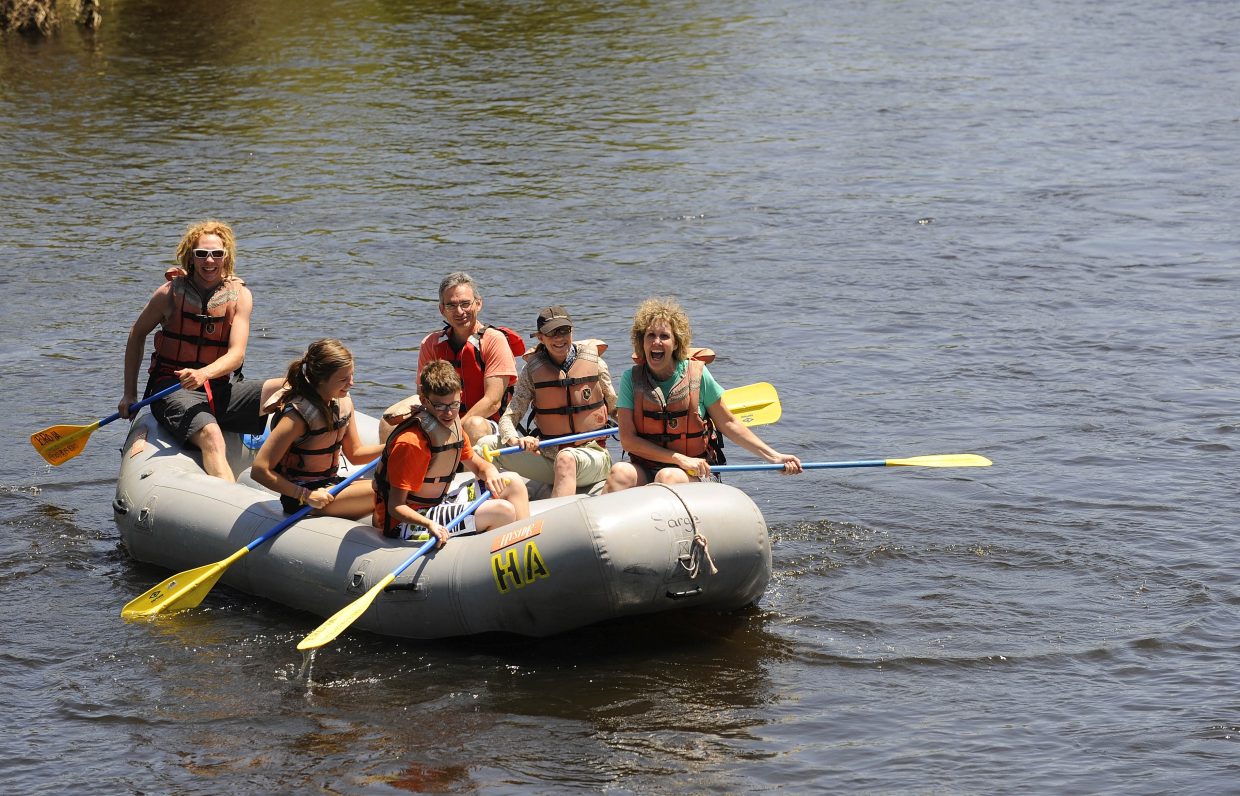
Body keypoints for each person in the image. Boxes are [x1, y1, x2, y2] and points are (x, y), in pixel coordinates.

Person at [118, 220, 282, 482]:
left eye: (217, 254)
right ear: (190, 258)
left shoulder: (240, 295)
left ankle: (294, 474)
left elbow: (236, 354)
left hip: (217, 389)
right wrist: (129, 393)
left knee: (293, 385)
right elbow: (136, 335)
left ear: (226, 257)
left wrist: (204, 373)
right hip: (172, 390)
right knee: (212, 434)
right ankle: (231, 503)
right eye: (202, 254)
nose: (209, 260)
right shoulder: (169, 294)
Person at [603, 297, 803, 492]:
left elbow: (729, 423)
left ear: (676, 343)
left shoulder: (697, 375)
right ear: (641, 342)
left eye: (664, 336)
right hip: (647, 465)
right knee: (620, 471)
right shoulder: (632, 378)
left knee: (667, 476)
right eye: (650, 336)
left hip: (694, 470)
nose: (656, 341)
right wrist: (676, 457)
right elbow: (628, 440)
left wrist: (774, 457)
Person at [373, 360, 530, 545]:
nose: (448, 413)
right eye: (440, 406)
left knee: (513, 482)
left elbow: (478, 466)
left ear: (460, 396)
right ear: (424, 400)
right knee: (502, 511)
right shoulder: (411, 444)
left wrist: (491, 472)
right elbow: (395, 507)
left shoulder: (452, 428)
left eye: (454, 404)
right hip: (410, 520)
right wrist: (429, 524)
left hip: (440, 502)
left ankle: (526, 544)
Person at [378, 272, 520, 444]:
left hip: (488, 423)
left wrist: (455, 430)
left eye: (465, 304)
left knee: (473, 425)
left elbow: (493, 402)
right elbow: (423, 394)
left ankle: (475, 469)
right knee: (389, 421)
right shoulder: (431, 344)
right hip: (444, 419)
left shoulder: (494, 340)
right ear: (442, 309)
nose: (459, 311)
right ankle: (393, 468)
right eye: (451, 305)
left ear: (478, 304)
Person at [250, 339, 382, 519]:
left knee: (393, 485)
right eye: (343, 379)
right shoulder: (297, 417)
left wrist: (391, 445)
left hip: (330, 485)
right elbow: (259, 470)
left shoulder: (343, 403)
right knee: (383, 491)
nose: (351, 383)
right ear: (321, 381)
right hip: (301, 498)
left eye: (352, 375)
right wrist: (306, 496)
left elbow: (356, 454)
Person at [495, 306, 617, 497]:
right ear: (540, 338)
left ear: (572, 331)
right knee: (486, 445)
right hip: (549, 456)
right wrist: (516, 440)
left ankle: (552, 523)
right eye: (551, 333)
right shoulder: (531, 372)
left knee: (566, 458)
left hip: (593, 455)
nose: (559, 338)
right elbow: (510, 417)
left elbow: (615, 408)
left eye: (564, 331)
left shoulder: (595, 364)